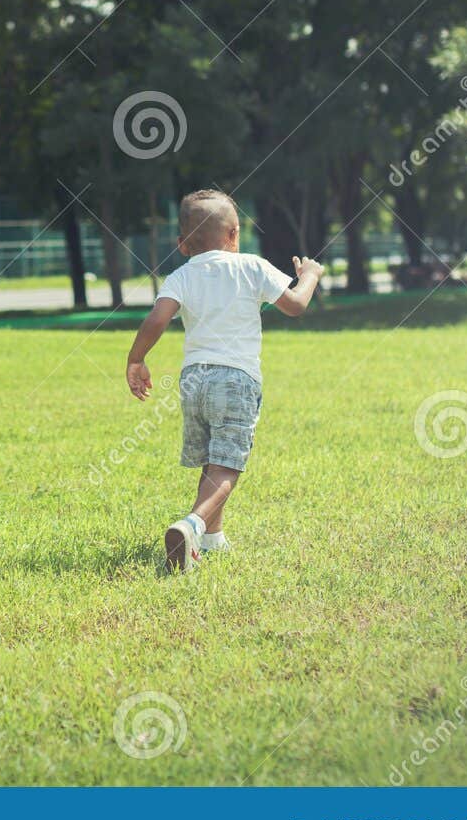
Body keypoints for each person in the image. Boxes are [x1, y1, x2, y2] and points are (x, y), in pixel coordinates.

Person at [124, 189, 322, 573]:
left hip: (194, 381)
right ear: (234, 234)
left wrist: (137, 359)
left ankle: (212, 539)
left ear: (182, 244)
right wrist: (310, 275)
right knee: (227, 467)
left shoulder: (181, 275)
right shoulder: (251, 265)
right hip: (237, 380)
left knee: (212, 462)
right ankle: (193, 525)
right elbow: (296, 305)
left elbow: (157, 320)